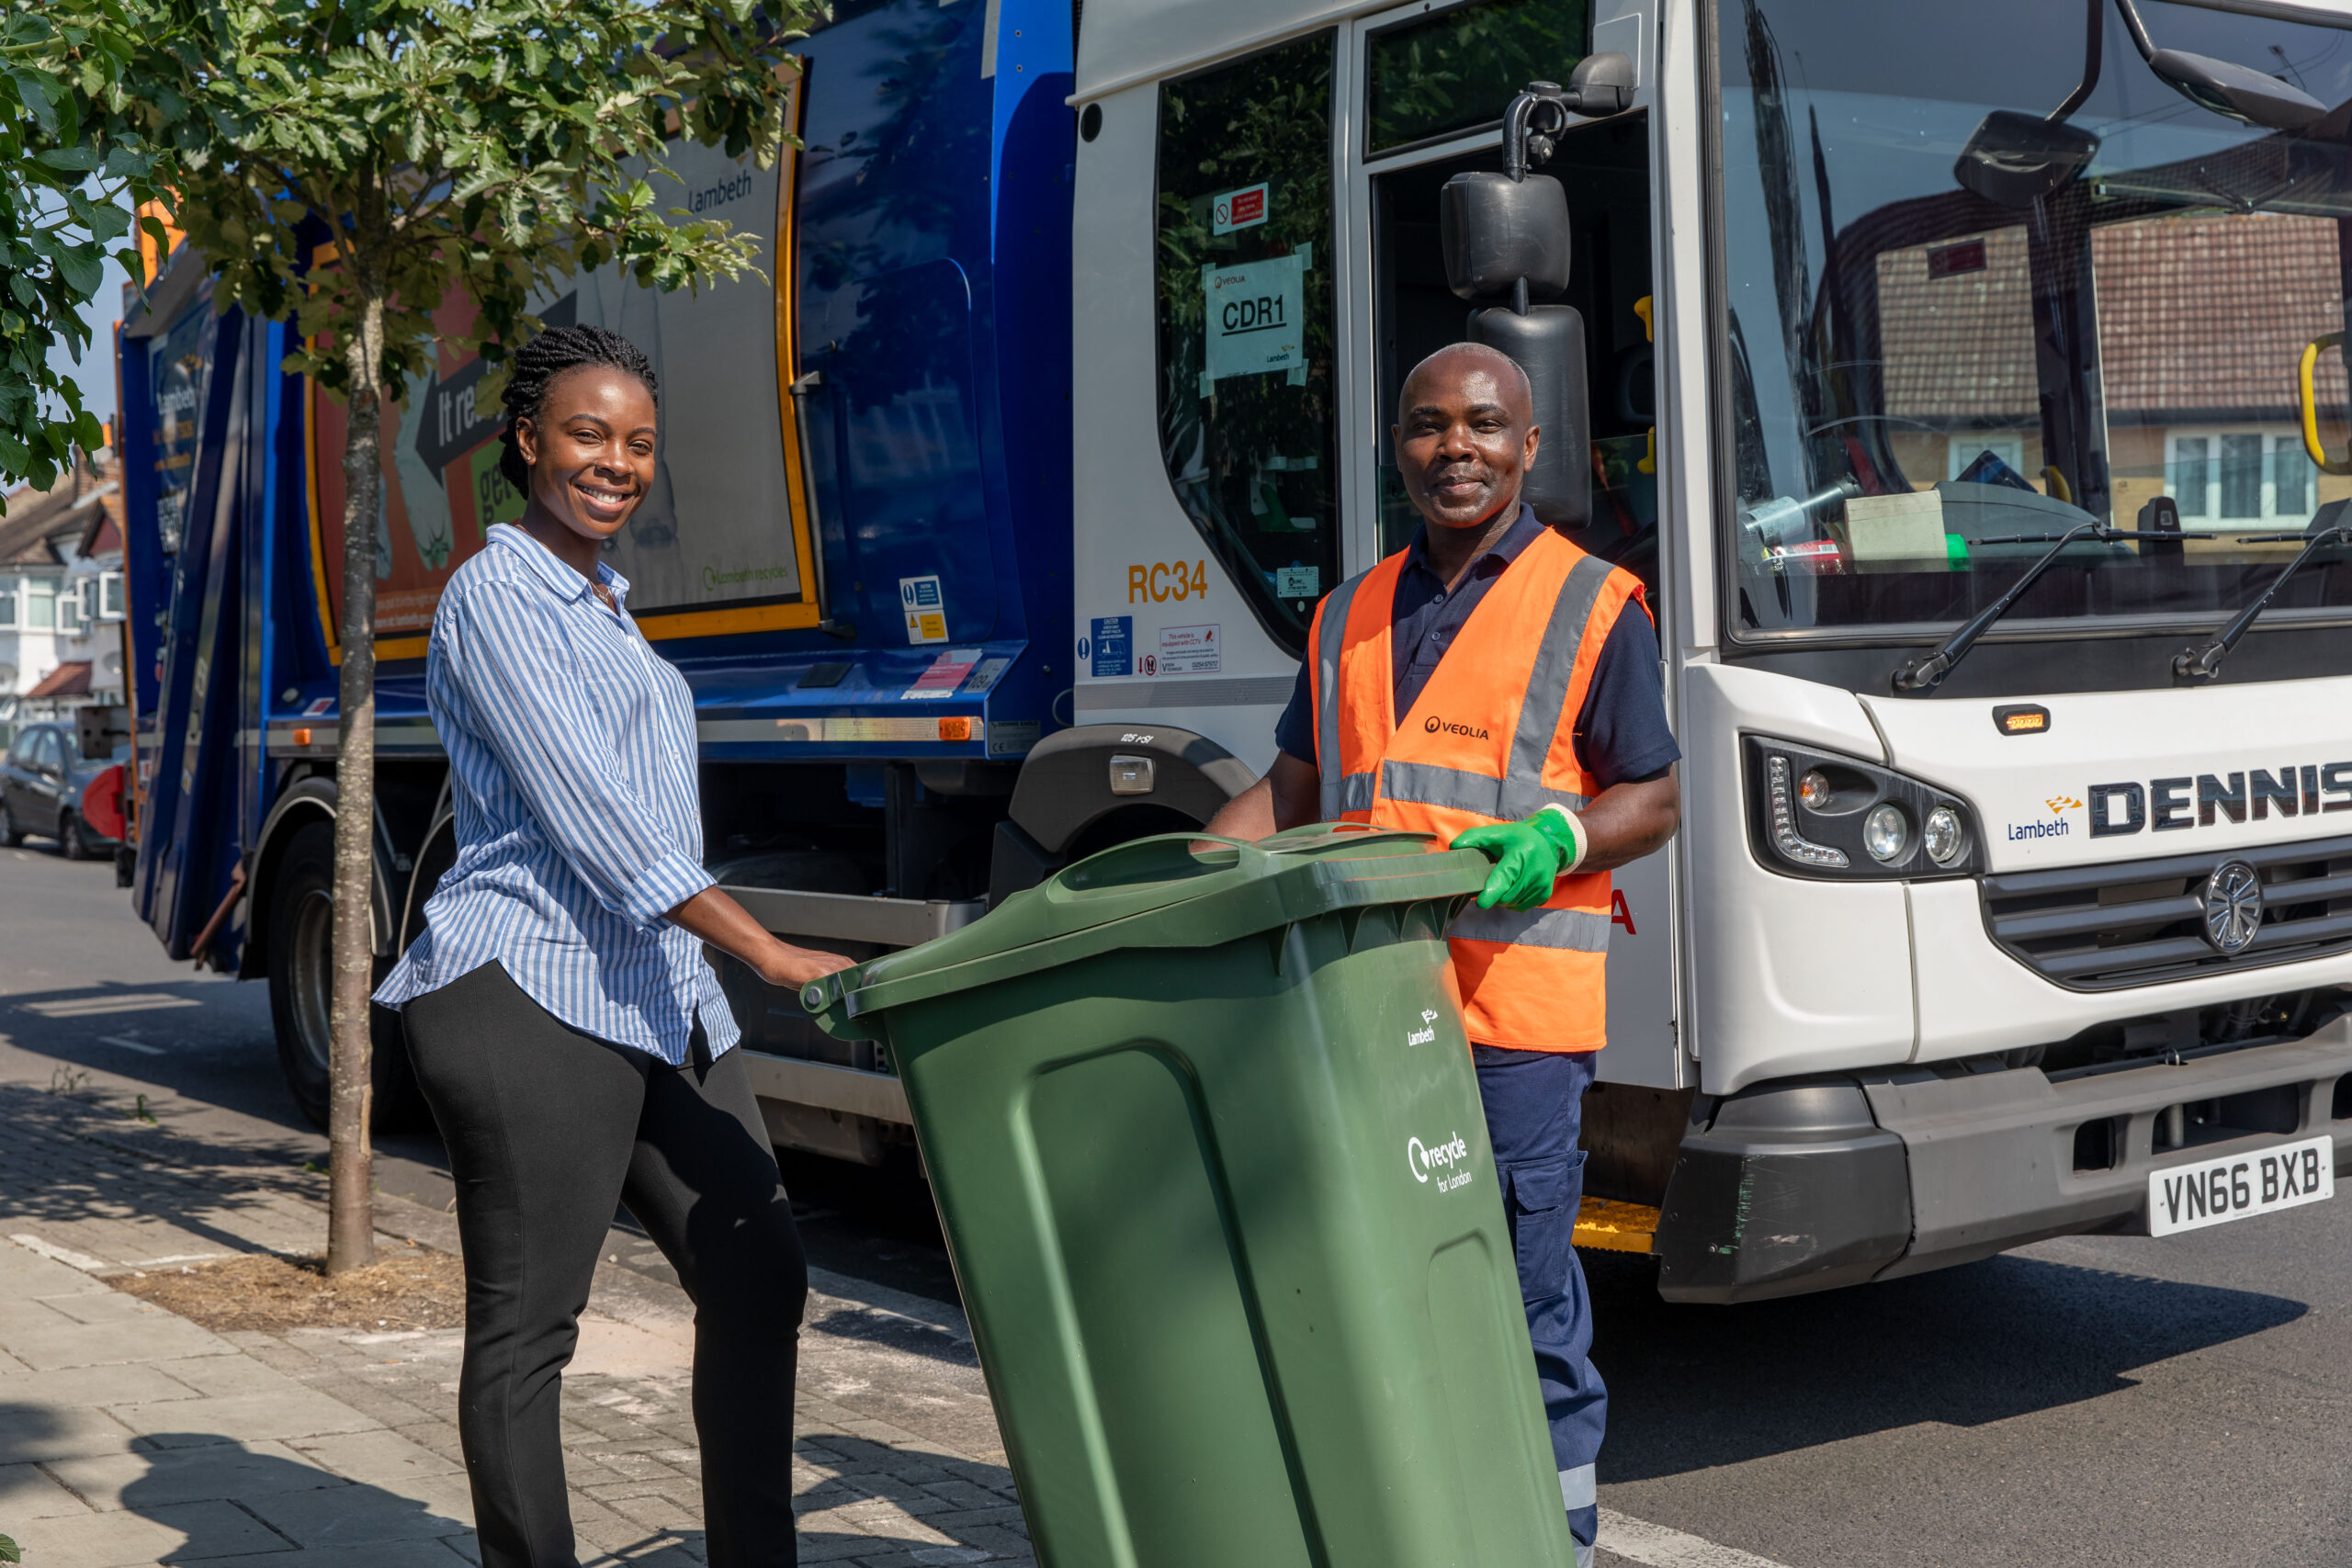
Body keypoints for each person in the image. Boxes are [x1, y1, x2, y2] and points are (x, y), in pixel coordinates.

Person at [374, 324, 854, 1568]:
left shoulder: (604, 602)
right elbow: (599, 825)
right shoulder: (494, 595)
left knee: (758, 1275)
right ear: (528, 439)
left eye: (638, 444)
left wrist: (711, 964)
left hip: (652, 993)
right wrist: (769, 950)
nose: (616, 463)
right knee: (531, 1330)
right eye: (589, 435)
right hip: (525, 988)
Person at [1204, 342, 1680, 1567]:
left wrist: (1564, 832)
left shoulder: (1591, 601)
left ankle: (1555, 1545)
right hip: (1369, 1018)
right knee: (1388, 1289)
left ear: (1528, 448)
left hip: (1516, 1023)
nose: (1453, 448)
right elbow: (1297, 792)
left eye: (1482, 426)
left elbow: (1658, 794)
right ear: (1398, 446)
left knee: (1520, 1301)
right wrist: (1180, 879)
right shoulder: (1347, 614)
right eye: (1427, 426)